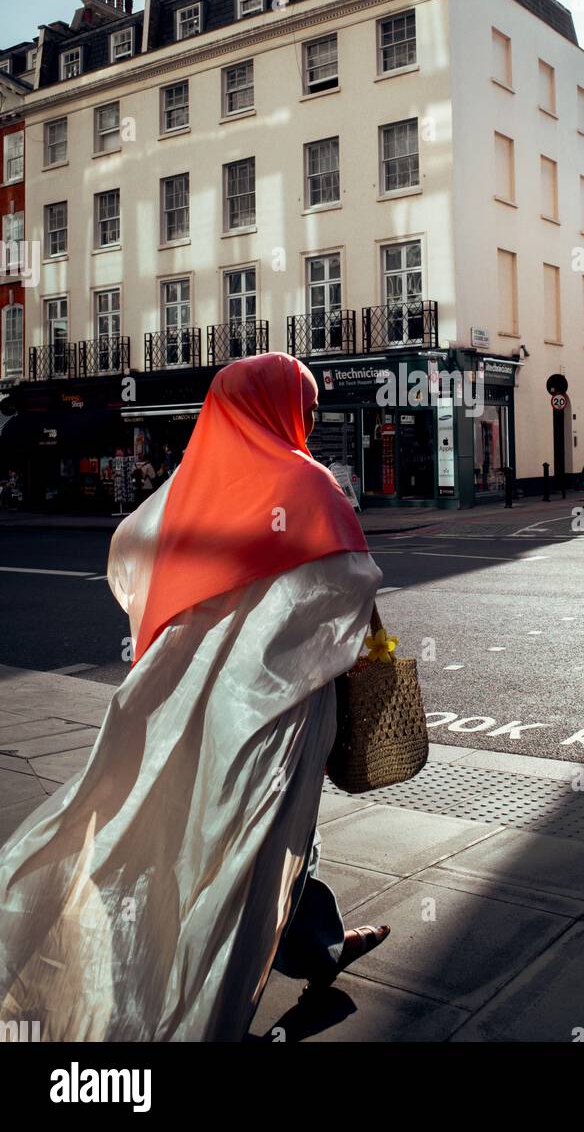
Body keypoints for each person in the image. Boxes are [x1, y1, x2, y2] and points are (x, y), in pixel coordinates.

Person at [0, 353, 390, 1041]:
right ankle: (208, 1012)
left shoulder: (181, 490)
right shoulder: (307, 482)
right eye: (305, 403)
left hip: (180, 704)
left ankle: (315, 944)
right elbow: (349, 587)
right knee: (256, 836)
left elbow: (130, 557)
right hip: (277, 709)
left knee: (214, 829)